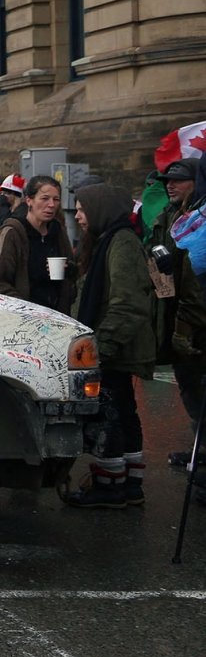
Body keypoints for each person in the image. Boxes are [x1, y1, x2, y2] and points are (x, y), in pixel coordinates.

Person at [64, 183, 158, 509]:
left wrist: (99, 349)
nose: (77, 214)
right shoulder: (111, 240)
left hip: (116, 348)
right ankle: (130, 485)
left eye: (82, 208)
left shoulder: (122, 243)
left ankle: (109, 486)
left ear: (101, 209)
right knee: (123, 411)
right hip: (117, 346)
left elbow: (128, 303)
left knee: (110, 414)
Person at [148, 160, 206, 469]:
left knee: (199, 379)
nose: (170, 184)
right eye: (167, 180)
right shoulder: (165, 217)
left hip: (197, 311)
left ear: (196, 181)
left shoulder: (201, 217)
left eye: (178, 180)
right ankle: (200, 445)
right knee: (187, 380)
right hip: (172, 308)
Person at [0, 175, 75, 310]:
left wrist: (69, 269)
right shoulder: (12, 232)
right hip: (24, 319)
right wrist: (28, 311)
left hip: (57, 316)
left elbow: (73, 274)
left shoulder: (57, 232)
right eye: (45, 199)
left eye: (56, 199)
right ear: (29, 200)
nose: (51, 204)